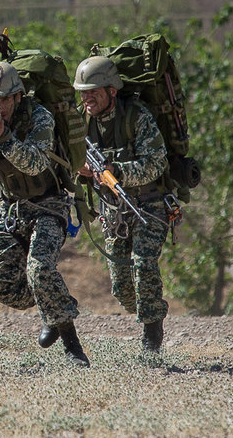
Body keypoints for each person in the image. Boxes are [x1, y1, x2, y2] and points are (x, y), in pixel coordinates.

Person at [0, 61, 89, 367]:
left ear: (16, 97)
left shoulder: (40, 116)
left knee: (39, 269)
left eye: (1, 99)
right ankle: (53, 302)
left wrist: (6, 140)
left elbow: (36, 163)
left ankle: (73, 348)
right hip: (13, 210)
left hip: (49, 205)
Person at [72, 56, 169, 352]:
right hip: (113, 211)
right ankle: (144, 311)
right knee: (123, 288)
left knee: (144, 266)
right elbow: (63, 157)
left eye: (94, 91)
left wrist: (119, 172)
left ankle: (152, 336)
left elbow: (157, 162)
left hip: (148, 204)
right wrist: (80, 168)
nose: (87, 97)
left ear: (112, 91)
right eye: (83, 92)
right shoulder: (80, 122)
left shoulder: (136, 118)